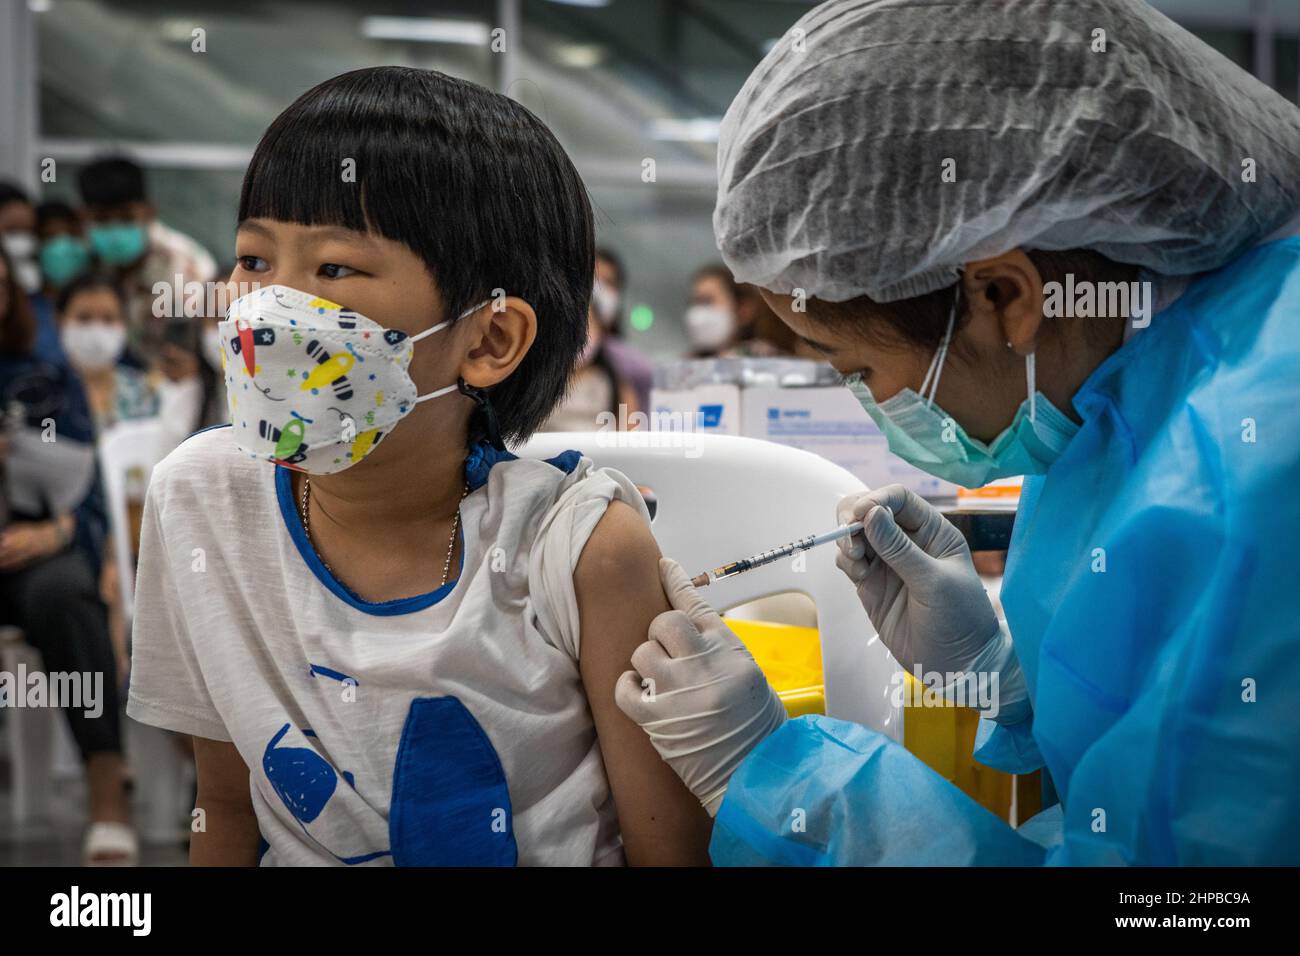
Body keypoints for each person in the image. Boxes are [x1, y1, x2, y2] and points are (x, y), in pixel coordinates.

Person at [615, 0, 1300, 865]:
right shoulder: (1124, 381)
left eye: (855, 371)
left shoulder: (1255, 468)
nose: (873, 407)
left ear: (1004, 296)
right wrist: (999, 678)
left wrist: (774, 778)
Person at [126, 67, 712, 866]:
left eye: (334, 270)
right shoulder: (201, 499)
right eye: (255, 262)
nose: (265, 312)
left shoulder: (581, 547)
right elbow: (225, 813)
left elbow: (667, 854)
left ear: (489, 340)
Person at [0, 244, 137, 864]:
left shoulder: (46, 378)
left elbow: (91, 489)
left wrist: (55, 532)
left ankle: (107, 791)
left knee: (67, 593)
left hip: (30, 546)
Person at [540, 305, 641, 431]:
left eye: (585, 327)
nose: (576, 338)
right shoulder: (538, 385)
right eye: (567, 328)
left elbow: (631, 436)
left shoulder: (615, 385)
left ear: (601, 331)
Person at [592, 248, 654, 410]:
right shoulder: (551, 358)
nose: (598, 290)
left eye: (608, 282)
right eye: (592, 280)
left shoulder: (636, 366)